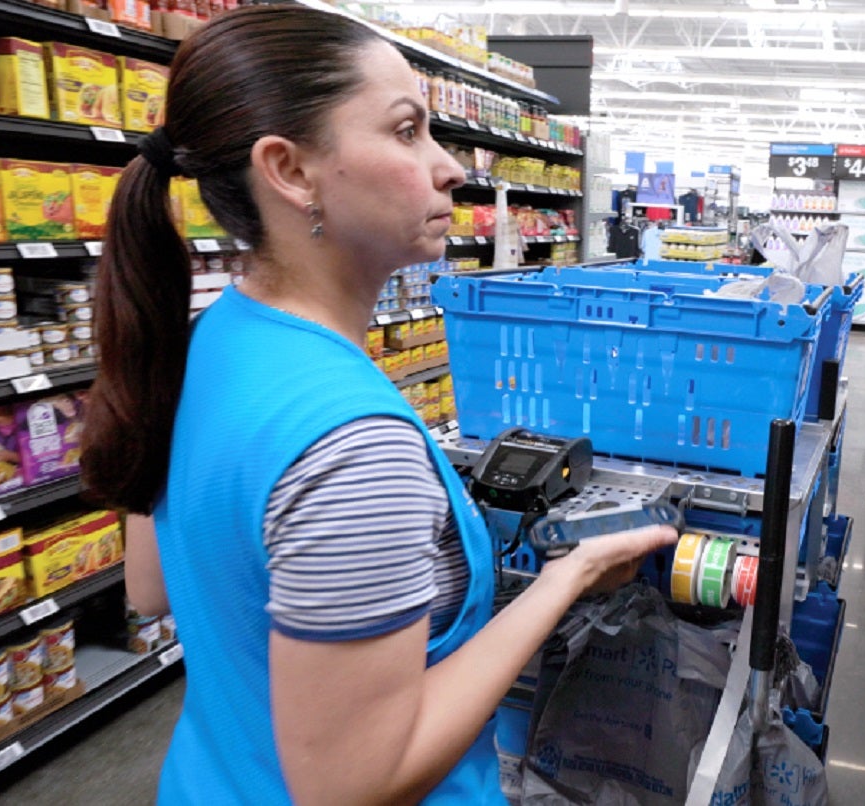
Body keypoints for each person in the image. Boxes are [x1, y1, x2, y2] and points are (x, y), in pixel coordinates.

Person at [80, 6, 677, 804]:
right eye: (406, 132)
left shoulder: (209, 341)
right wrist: (564, 583)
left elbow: (152, 588)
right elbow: (354, 784)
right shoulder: (352, 444)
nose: (449, 167)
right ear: (290, 172)